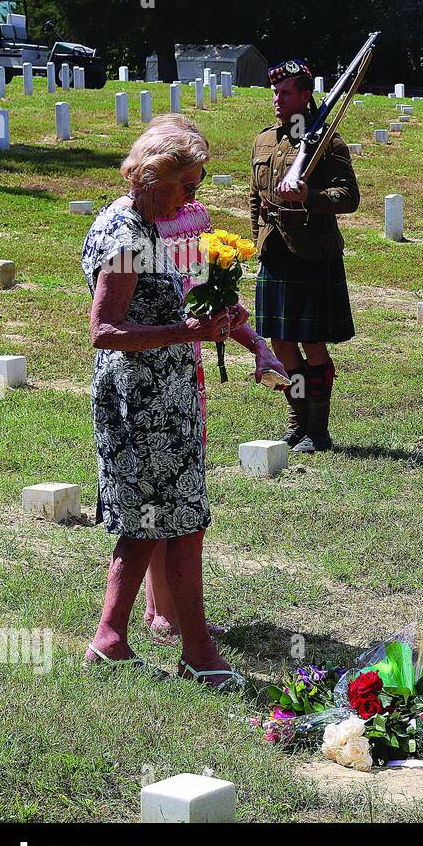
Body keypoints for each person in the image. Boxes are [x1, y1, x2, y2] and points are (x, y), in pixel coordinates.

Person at [82, 114, 243, 689]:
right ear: (154, 175)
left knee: (154, 520)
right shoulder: (126, 237)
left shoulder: (139, 226)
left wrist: (202, 319)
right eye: (187, 184)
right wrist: (190, 334)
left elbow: (148, 312)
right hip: (143, 399)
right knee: (175, 520)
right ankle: (198, 652)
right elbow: (104, 329)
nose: (193, 196)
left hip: (160, 396)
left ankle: (111, 638)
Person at [142, 193, 288, 644]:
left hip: (190, 371)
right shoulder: (138, 224)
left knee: (184, 490)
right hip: (149, 369)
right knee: (156, 490)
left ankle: (170, 608)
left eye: (198, 176)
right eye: (186, 176)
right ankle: (164, 611)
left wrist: (258, 347)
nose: (192, 186)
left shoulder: (195, 218)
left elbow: (206, 300)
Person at [251, 58, 360, 453]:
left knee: (312, 343)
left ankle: (318, 429)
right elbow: (255, 199)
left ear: (305, 95)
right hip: (276, 254)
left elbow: (350, 197)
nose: (277, 100)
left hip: (312, 253)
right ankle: (297, 421)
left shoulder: (327, 141)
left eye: (285, 93)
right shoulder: (265, 140)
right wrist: (256, 242)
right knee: (280, 342)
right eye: (275, 94)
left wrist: (310, 198)